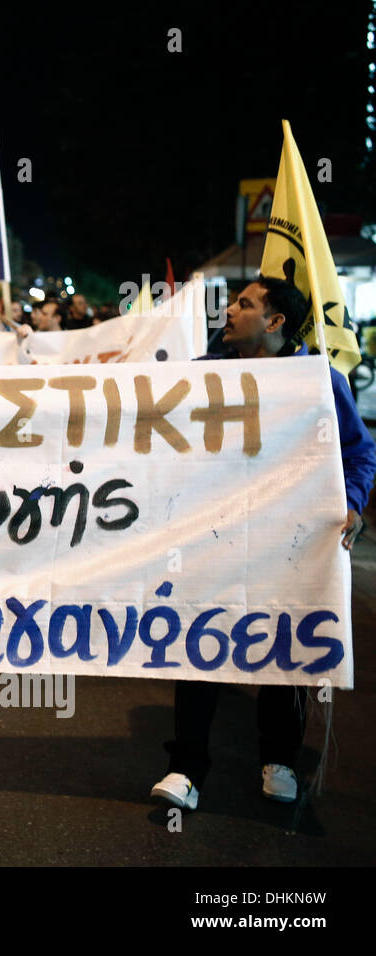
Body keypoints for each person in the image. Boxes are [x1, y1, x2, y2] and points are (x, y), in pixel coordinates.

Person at [149, 275, 376, 811]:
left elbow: (359, 452)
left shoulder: (320, 381)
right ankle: (186, 768)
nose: (228, 311)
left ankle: (279, 759)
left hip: (286, 543)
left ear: (276, 323)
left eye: (244, 304)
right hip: (211, 540)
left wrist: (353, 502)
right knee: (199, 644)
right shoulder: (203, 376)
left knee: (283, 642)